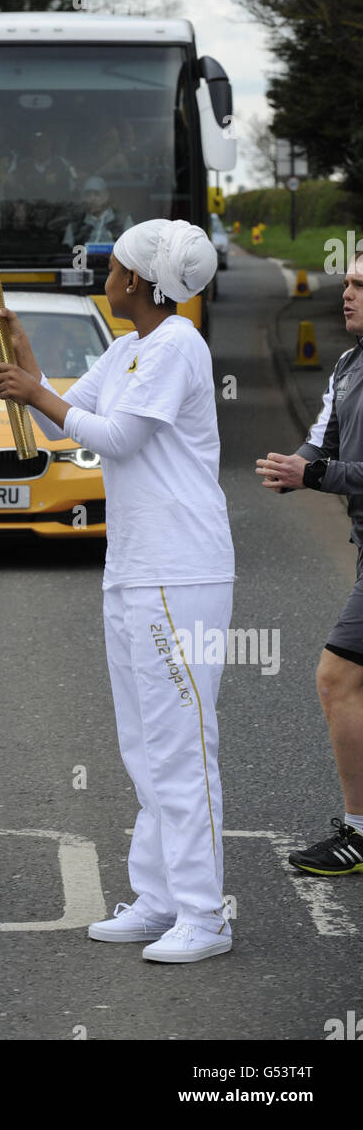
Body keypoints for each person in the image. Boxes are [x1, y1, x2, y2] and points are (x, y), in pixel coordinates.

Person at [0, 218, 235, 962]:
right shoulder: (128, 348)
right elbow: (65, 422)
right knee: (145, 744)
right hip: (134, 569)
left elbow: (113, 436)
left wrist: (34, 392)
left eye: (114, 264)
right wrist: (18, 350)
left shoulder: (179, 346)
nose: (104, 270)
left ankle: (204, 916)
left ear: (142, 282)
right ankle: (157, 900)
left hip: (179, 570)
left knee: (182, 744)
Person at [256, 251, 363, 875]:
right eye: (346, 282)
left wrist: (314, 474)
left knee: (337, 677)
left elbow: (325, 464)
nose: (346, 294)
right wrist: (289, 467)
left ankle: (357, 831)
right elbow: (320, 438)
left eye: (360, 286)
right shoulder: (349, 365)